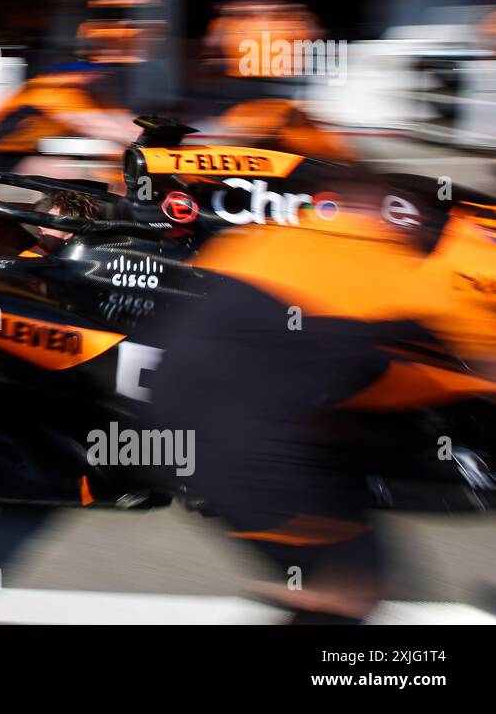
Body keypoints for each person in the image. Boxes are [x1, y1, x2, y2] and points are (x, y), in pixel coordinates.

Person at [140, 172, 496, 622]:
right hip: (247, 439)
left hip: (187, 413)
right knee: (350, 587)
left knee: (341, 579)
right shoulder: (416, 281)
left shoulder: (266, 240)